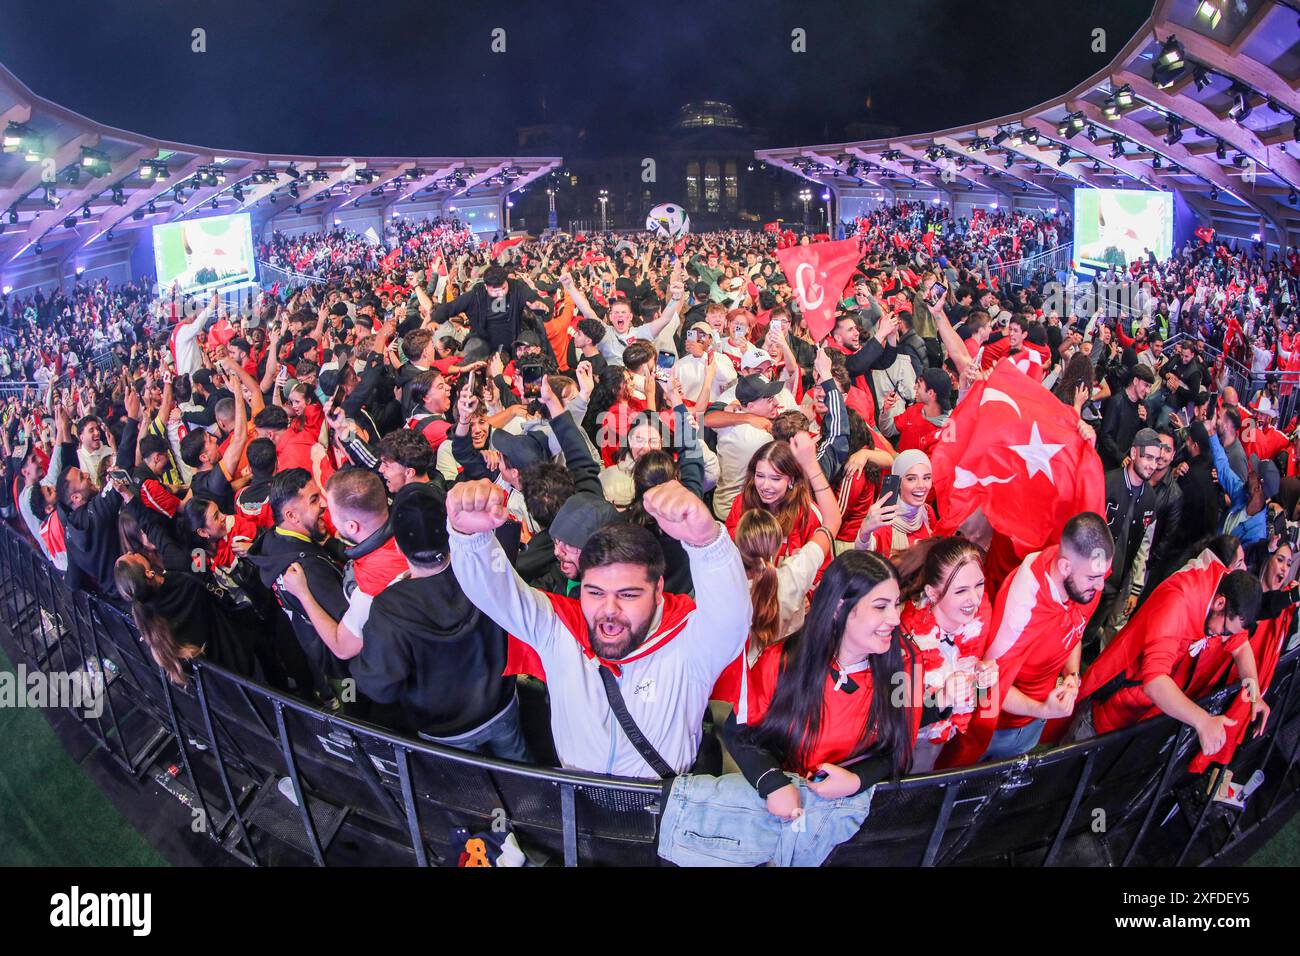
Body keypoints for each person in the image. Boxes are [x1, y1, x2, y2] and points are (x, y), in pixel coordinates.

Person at [447, 477, 748, 777]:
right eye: (595, 593)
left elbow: (730, 619)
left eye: (628, 595)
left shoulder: (687, 642)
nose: (609, 611)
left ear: (658, 591)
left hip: (660, 806)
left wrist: (707, 544)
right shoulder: (560, 627)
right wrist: (469, 538)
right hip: (577, 800)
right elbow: (496, 595)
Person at [724, 551, 929, 820]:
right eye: (880, 606)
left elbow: (900, 752)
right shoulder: (782, 661)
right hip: (783, 808)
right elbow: (738, 730)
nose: (894, 618)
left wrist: (857, 779)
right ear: (838, 608)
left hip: (851, 815)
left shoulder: (907, 665)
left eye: (896, 604)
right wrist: (773, 783)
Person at [350, 483, 529, 759]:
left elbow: (380, 687)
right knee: (522, 776)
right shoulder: (485, 567)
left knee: (467, 793)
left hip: (445, 731)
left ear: (397, 546)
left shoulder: (389, 609)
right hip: (501, 706)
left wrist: (358, 665)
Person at [941, 512, 1114, 766]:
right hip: (1000, 728)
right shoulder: (1022, 610)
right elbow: (988, 688)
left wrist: (1071, 676)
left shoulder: (1080, 583)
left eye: (1103, 576)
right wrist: (1043, 710)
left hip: (1034, 722)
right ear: (1065, 566)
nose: (1100, 587)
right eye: (1093, 578)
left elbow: (1074, 630)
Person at [1072, 552, 1265, 755]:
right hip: (1111, 701)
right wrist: (1203, 721)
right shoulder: (1179, 600)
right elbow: (1155, 682)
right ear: (1220, 603)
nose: (1223, 637)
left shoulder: (1224, 588)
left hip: (1139, 711)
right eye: (1225, 630)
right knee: (1071, 764)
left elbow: (1241, 646)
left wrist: (1255, 692)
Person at [897, 536, 994, 773]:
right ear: (931, 593)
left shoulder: (978, 618)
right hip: (903, 749)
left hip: (942, 744)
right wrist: (942, 698)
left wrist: (983, 684)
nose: (974, 599)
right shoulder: (904, 638)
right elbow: (892, 717)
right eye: (960, 590)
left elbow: (977, 703)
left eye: (979, 585)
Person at [855, 449, 935, 559]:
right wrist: (864, 533)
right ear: (898, 482)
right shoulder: (884, 518)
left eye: (926, 478)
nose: (921, 485)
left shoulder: (927, 512)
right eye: (911, 479)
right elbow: (861, 559)